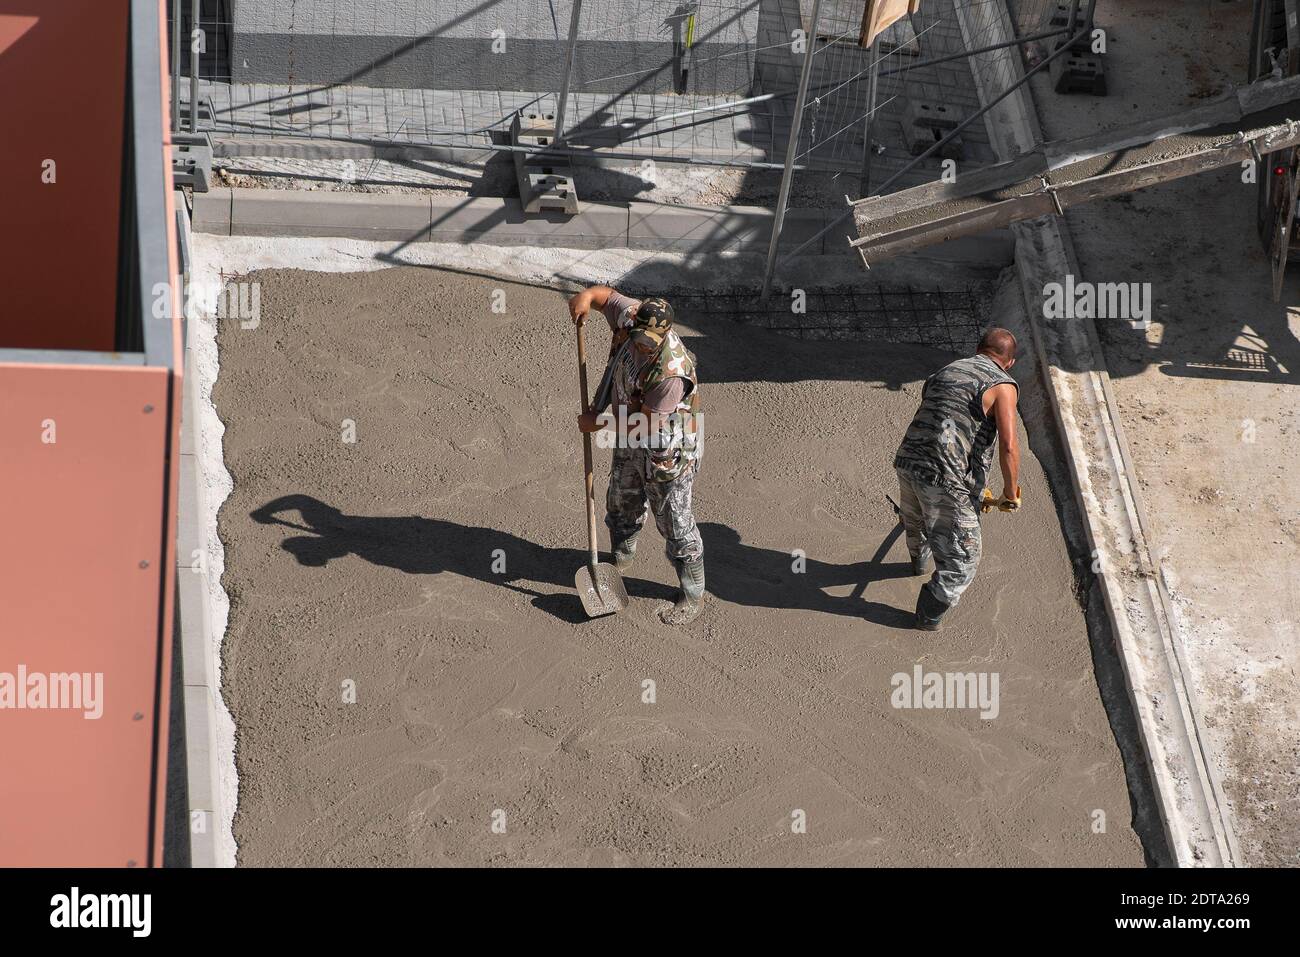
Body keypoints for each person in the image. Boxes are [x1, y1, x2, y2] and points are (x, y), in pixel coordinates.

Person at [568, 286, 705, 624]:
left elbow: (645, 424)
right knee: (621, 501)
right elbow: (605, 297)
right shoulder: (633, 316)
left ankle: (692, 592)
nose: (640, 344)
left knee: (674, 521)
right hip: (630, 435)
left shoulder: (671, 372)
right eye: (637, 336)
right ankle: (620, 559)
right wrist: (584, 299)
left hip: (667, 452)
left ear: (664, 334)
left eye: (648, 341)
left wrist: (597, 422)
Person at [893, 328, 1022, 631]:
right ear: (1010, 362)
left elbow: (941, 417)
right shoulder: (1003, 385)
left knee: (919, 520)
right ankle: (927, 617)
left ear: (978, 349)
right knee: (964, 560)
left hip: (908, 460)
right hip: (944, 476)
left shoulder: (945, 371)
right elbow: (1008, 445)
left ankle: (918, 563)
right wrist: (1009, 492)